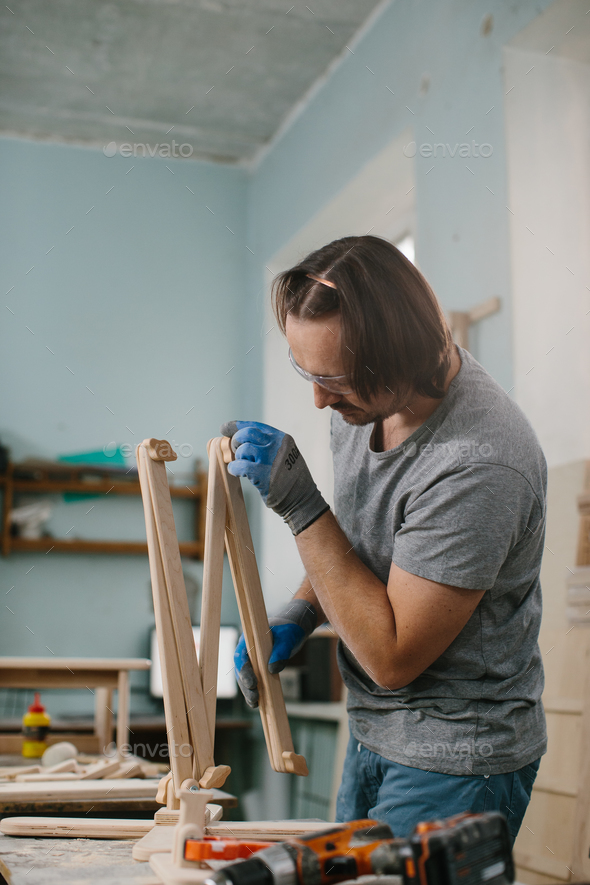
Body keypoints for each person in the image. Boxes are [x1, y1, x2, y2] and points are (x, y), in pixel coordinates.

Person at [222, 235, 546, 843]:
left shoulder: (480, 463)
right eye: (306, 372)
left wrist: (299, 505)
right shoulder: (365, 406)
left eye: (336, 380)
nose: (319, 400)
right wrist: (303, 610)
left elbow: (393, 657)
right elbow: (363, 548)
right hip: (374, 732)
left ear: (398, 357)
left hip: (455, 756)